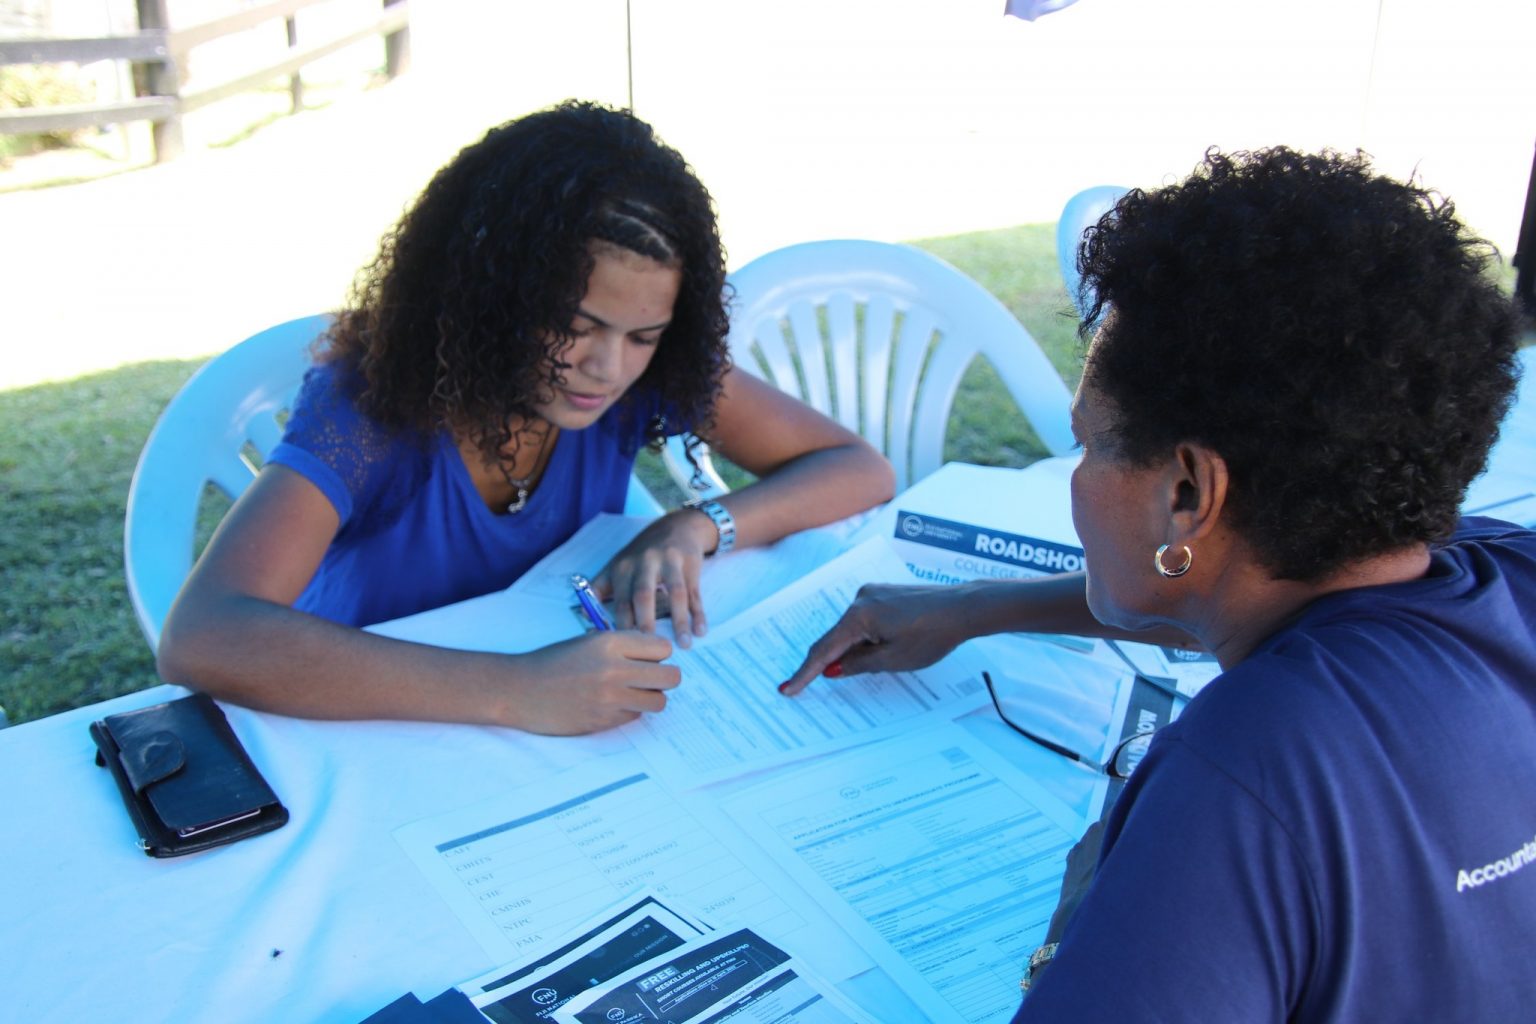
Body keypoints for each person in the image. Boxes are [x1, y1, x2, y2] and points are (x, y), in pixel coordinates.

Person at [783, 147, 1534, 1020]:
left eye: (1090, 443)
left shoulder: (1239, 781)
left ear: (1186, 494)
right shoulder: (1494, 565)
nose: (1078, 470)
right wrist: (973, 608)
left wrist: (1074, 927)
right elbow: (1247, 599)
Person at [157, 101, 894, 736]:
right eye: (575, 325)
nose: (608, 368)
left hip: (536, 725)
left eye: (643, 336)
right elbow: (205, 634)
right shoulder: (375, 404)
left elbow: (859, 469)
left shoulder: (641, 380)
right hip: (372, 725)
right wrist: (514, 689)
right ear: (490, 295)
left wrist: (698, 525)